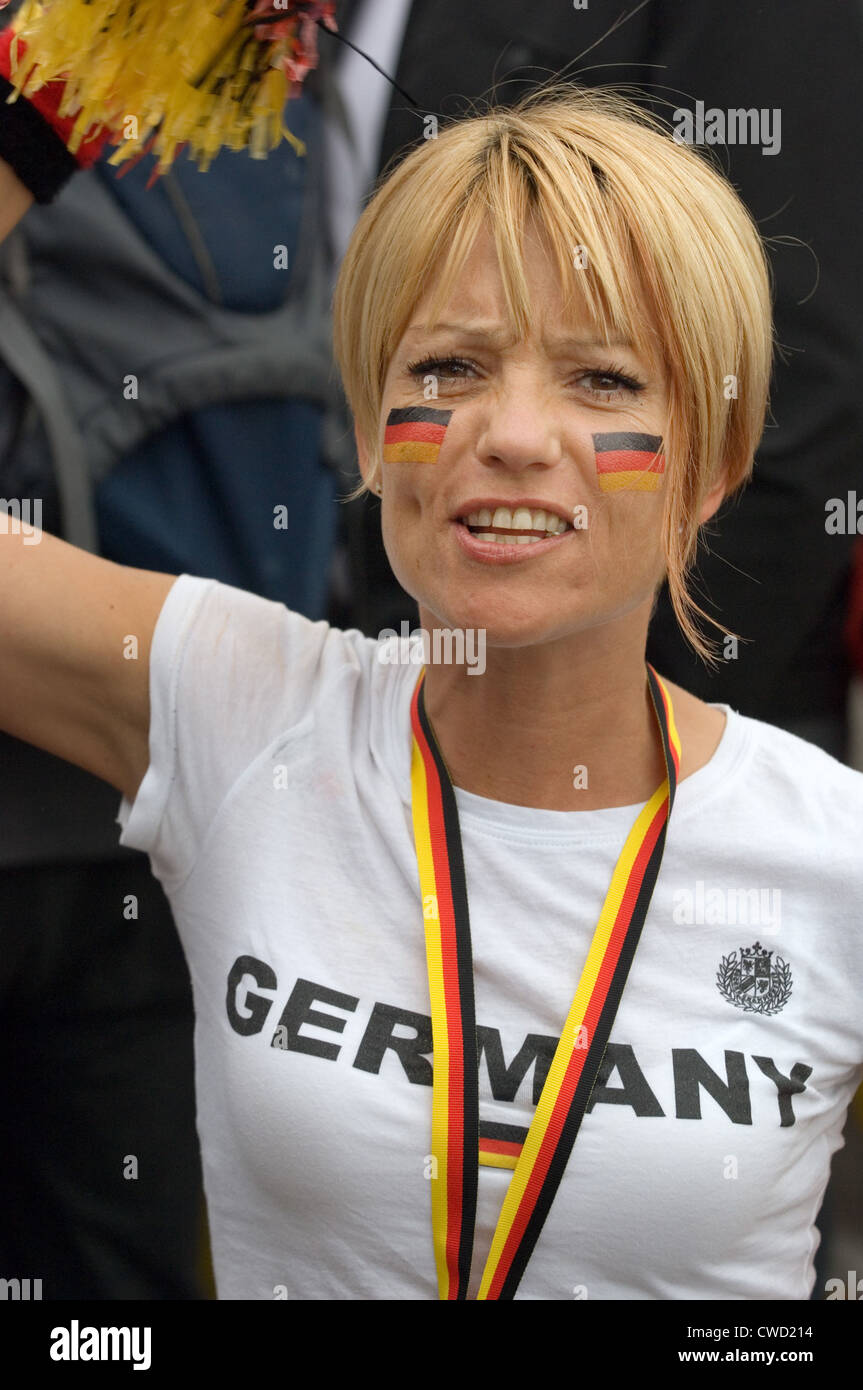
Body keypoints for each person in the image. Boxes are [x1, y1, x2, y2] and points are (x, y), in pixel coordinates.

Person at [1, 83, 861, 1300]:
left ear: (712, 461)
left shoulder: (835, 858)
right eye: (449, 365)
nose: (509, 433)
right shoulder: (241, 709)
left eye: (601, 380)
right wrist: (62, 97)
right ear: (365, 428)